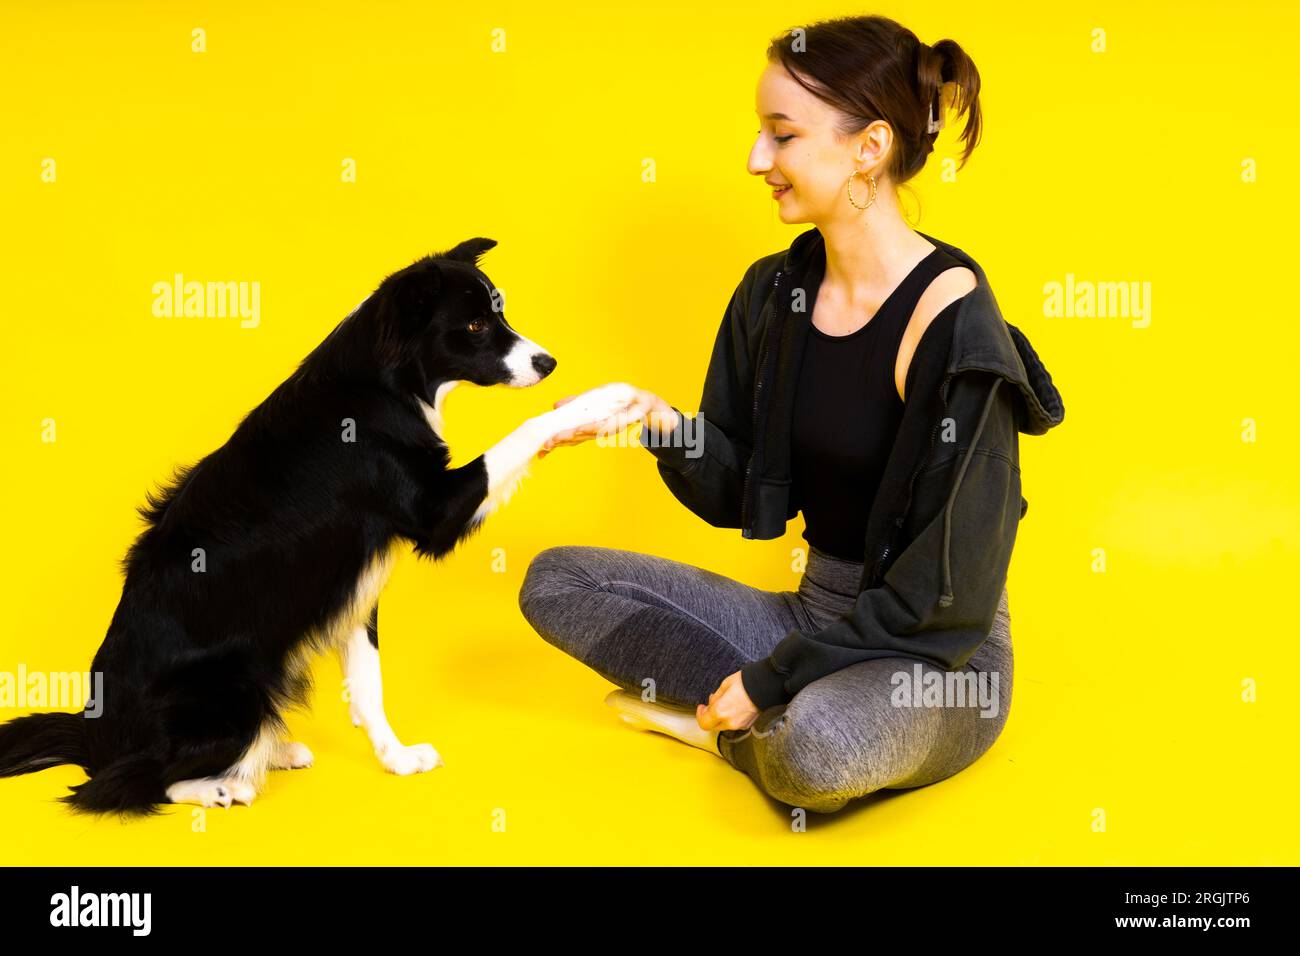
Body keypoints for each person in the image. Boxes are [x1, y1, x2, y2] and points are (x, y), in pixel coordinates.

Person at [517, 14, 1065, 814]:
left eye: (782, 135)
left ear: (868, 147)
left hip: (938, 662)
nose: (755, 160)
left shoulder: (957, 324)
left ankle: (731, 730)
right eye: (759, 134)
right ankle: (768, 710)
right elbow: (736, 483)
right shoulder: (774, 295)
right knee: (556, 581)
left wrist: (770, 680)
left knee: (819, 745)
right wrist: (658, 422)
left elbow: (947, 599)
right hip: (813, 616)